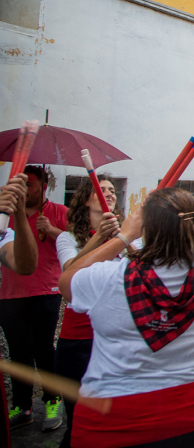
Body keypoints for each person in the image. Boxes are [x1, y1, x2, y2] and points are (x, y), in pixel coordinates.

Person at [59, 188, 194, 447]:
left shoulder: (109, 277)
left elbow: (66, 281)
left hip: (118, 418)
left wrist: (124, 235)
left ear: (146, 228)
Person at [53, 174, 122, 447]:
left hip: (113, 336)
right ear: (85, 200)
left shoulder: (123, 237)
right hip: (79, 339)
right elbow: (68, 275)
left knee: (111, 417)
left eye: (112, 190)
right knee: (79, 417)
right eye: (101, 189)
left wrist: (122, 239)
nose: (109, 193)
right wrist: (100, 239)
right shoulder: (67, 238)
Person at [0, 165, 67, 431]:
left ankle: (53, 400)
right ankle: (22, 406)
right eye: (21, 184)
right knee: (18, 352)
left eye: (29, 184)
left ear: (44, 186)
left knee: (43, 349)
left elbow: (78, 243)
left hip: (45, 290)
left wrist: (51, 230)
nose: (24, 190)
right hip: (10, 293)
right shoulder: (5, 214)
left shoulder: (59, 212)